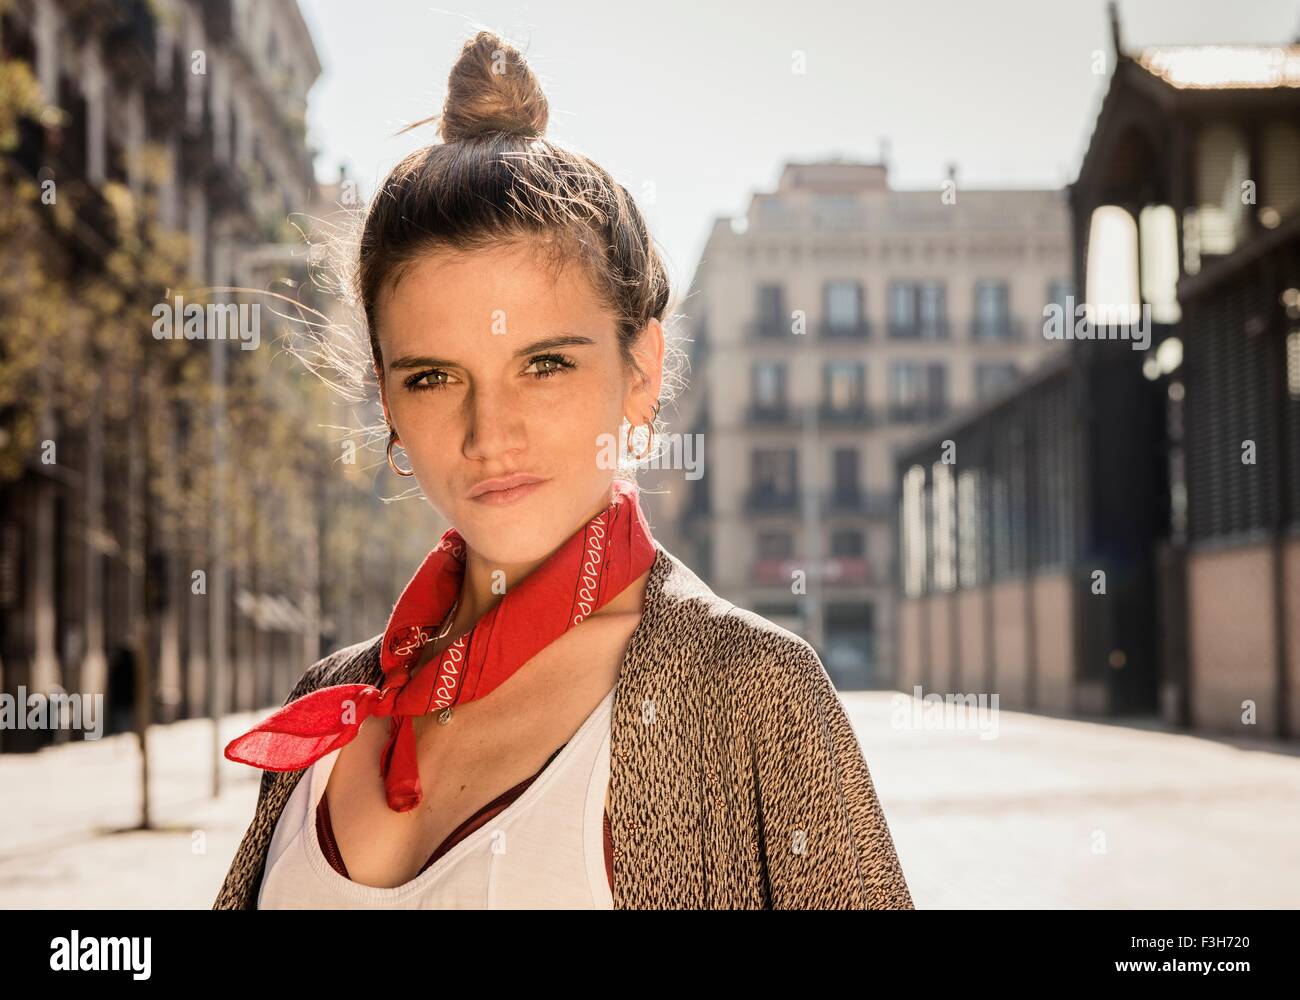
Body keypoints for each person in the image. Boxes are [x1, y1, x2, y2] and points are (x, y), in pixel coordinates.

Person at [213, 29, 913, 910]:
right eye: (433, 376)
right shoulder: (331, 700)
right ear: (387, 403)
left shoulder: (748, 693)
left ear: (641, 371)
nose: (488, 432)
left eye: (545, 364)